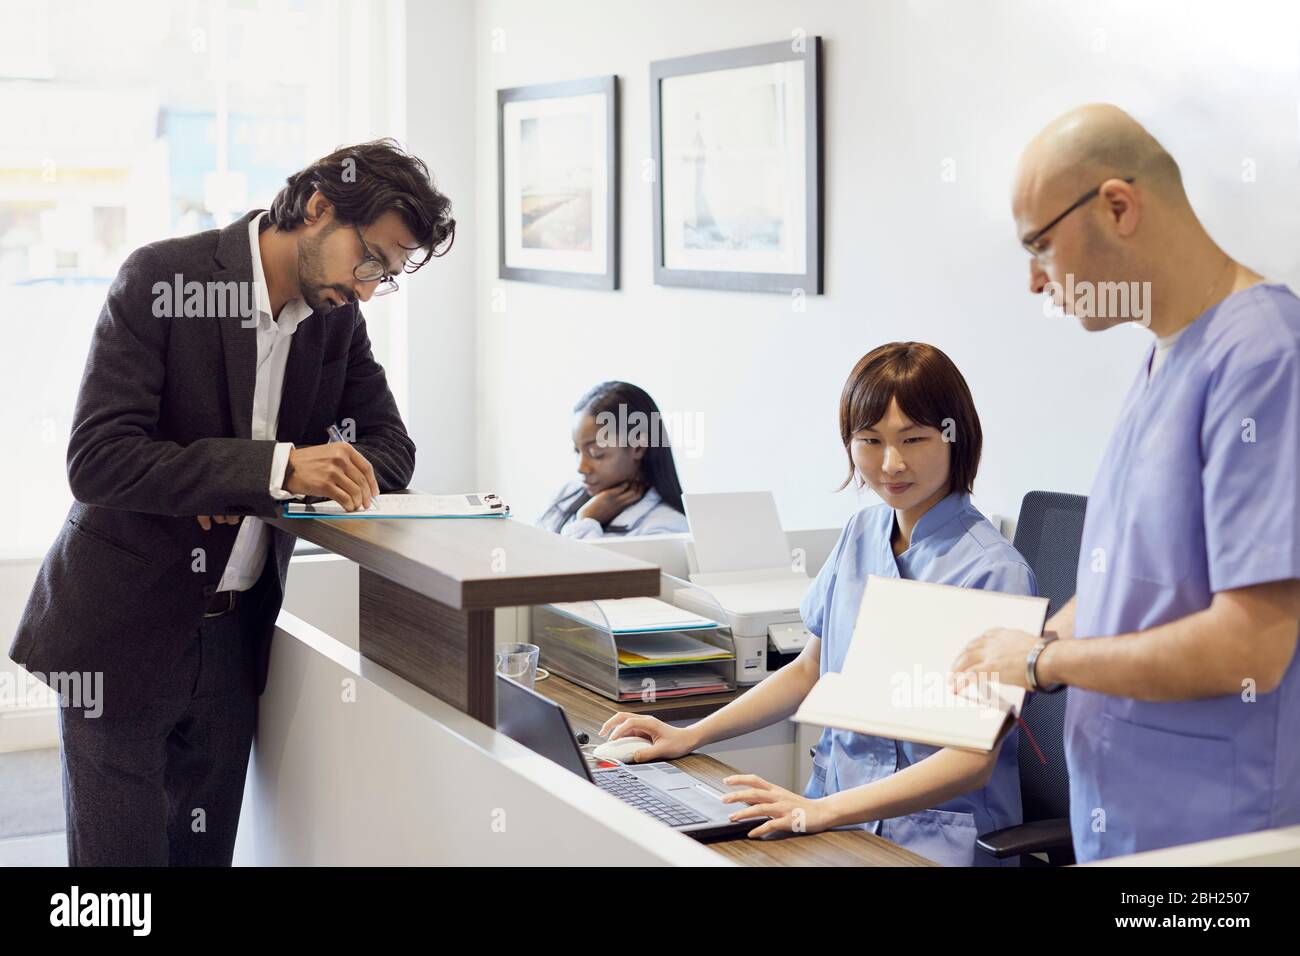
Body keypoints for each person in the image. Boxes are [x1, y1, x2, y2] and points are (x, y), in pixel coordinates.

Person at [8, 139, 455, 866]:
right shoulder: (164, 276)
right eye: (370, 260)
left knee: (203, 856)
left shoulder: (336, 319)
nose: (369, 289)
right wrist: (269, 469)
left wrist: (275, 486)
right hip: (122, 628)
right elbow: (98, 459)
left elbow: (391, 448)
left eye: (387, 276)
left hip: (235, 637)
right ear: (318, 207)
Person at [952, 104, 1300, 862]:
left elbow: (1251, 648)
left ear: (1117, 206)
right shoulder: (1162, 359)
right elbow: (1131, 587)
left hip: (1216, 839)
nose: (1034, 280)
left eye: (1040, 245)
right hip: (1126, 823)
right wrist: (1031, 645)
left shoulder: (1267, 361)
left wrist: (1043, 664)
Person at [600, 343, 1036, 866]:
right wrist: (689, 734)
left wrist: (821, 811)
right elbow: (810, 670)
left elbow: (971, 761)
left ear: (955, 436)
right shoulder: (861, 533)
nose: (891, 463)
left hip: (934, 841)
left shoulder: (994, 572)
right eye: (870, 440)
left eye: (914, 439)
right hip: (832, 820)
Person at [537, 381, 688, 539]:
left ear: (638, 447)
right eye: (577, 451)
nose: (581, 468)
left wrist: (586, 520)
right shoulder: (565, 498)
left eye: (596, 453)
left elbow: (573, 556)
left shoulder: (666, 527)